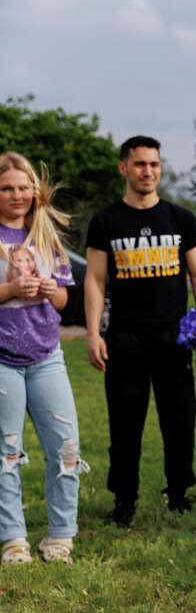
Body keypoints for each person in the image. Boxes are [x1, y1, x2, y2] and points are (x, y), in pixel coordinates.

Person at [84, 136, 196, 527]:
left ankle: (178, 493)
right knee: (125, 425)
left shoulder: (180, 219)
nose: (148, 172)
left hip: (173, 338)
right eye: (140, 164)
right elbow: (94, 279)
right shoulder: (106, 221)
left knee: (180, 421)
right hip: (125, 338)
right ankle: (124, 502)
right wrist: (94, 332)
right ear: (124, 168)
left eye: (154, 164)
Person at [0, 152, 87, 565]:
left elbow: (65, 300)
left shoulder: (46, 238)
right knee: (6, 451)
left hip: (46, 356)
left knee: (66, 447)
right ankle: (13, 539)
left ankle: (60, 537)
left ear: (34, 192)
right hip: (2, 361)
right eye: (6, 188)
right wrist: (11, 291)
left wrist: (53, 291)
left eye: (23, 188)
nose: (16, 195)